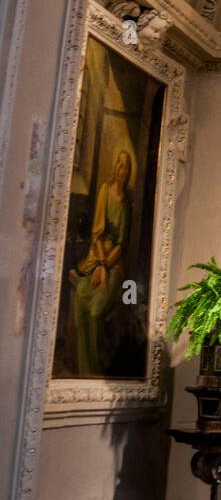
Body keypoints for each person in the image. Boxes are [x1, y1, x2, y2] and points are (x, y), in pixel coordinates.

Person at [69, 150, 133, 375]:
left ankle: (99, 367)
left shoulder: (126, 203)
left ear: (128, 172)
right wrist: (98, 265)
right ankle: (85, 368)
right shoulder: (105, 191)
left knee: (96, 311)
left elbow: (122, 243)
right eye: (118, 166)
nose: (120, 170)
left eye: (125, 167)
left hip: (114, 263)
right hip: (96, 257)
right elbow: (97, 234)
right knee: (81, 298)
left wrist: (106, 268)